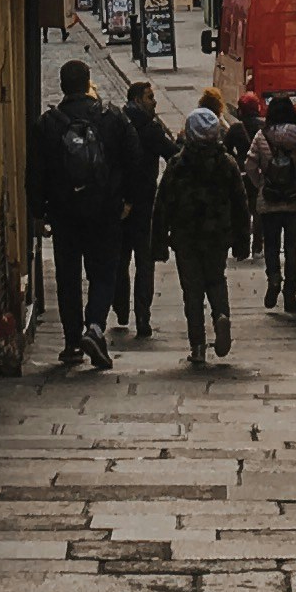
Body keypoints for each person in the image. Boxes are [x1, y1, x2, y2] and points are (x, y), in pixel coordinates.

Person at [30, 62, 119, 372]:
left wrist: (37, 212)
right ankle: (94, 326)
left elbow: (35, 171)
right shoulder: (108, 117)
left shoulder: (48, 124)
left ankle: (71, 343)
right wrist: (125, 199)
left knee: (67, 277)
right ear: (88, 82)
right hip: (102, 210)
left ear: (62, 85)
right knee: (103, 271)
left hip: (63, 212)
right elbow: (133, 156)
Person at [155, 105, 251, 369]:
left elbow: (162, 204)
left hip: (186, 236)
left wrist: (159, 243)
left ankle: (197, 345)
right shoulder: (227, 164)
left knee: (192, 290)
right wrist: (243, 240)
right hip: (218, 234)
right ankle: (221, 314)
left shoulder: (178, 164)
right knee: (216, 280)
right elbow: (241, 203)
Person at [247, 95, 296, 312]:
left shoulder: (262, 135)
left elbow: (250, 164)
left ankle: (274, 279)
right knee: (292, 247)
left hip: (269, 199)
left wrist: (260, 183)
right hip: (294, 200)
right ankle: (290, 292)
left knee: (271, 244)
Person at [120, 80, 171, 342]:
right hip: (142, 205)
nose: (155, 101)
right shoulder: (150, 129)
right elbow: (172, 154)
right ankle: (142, 316)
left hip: (118, 206)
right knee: (144, 262)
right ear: (139, 99)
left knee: (119, 260)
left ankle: (119, 309)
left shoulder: (117, 122)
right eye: (150, 97)